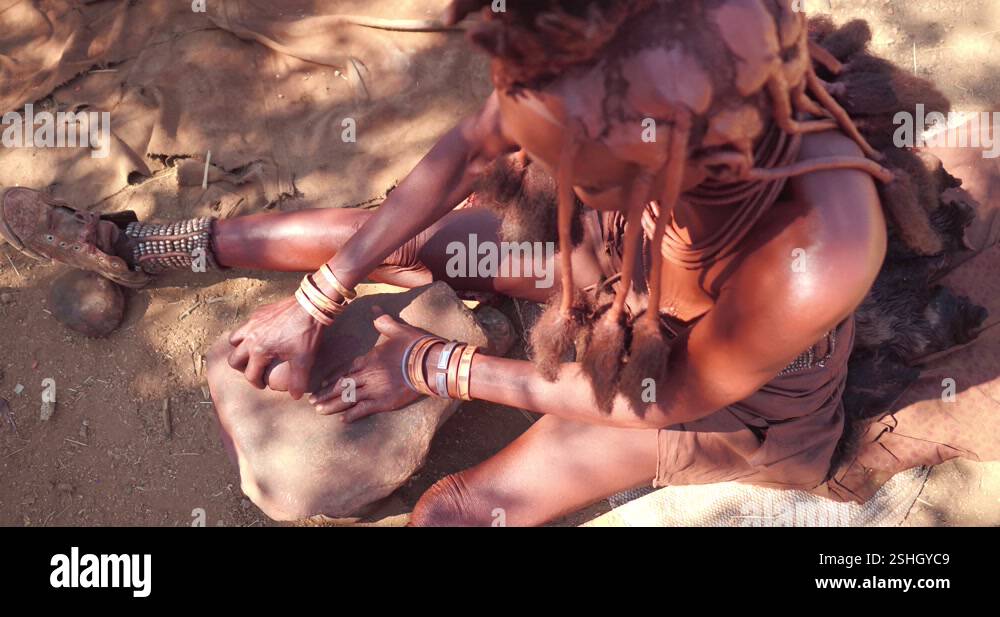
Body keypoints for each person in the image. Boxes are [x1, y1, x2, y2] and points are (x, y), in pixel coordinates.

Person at [1, 1, 993, 525]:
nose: (542, 164)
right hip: (636, 254)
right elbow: (463, 154)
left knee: (458, 511)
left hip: (713, 395)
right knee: (433, 234)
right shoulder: (617, 58)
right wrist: (315, 300)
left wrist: (431, 367)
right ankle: (141, 243)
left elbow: (670, 397)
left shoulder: (820, 250)